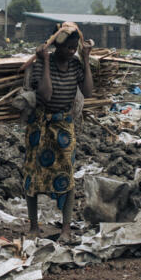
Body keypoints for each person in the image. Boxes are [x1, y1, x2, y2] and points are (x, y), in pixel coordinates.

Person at [23, 23, 93, 243]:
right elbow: (45, 93)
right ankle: (34, 226)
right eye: (67, 48)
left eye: (74, 47)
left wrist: (86, 59)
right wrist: (44, 62)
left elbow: (88, 91)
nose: (71, 51)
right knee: (33, 175)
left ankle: (65, 229)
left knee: (67, 176)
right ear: (56, 47)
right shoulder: (41, 64)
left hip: (63, 125)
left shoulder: (75, 65)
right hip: (40, 124)